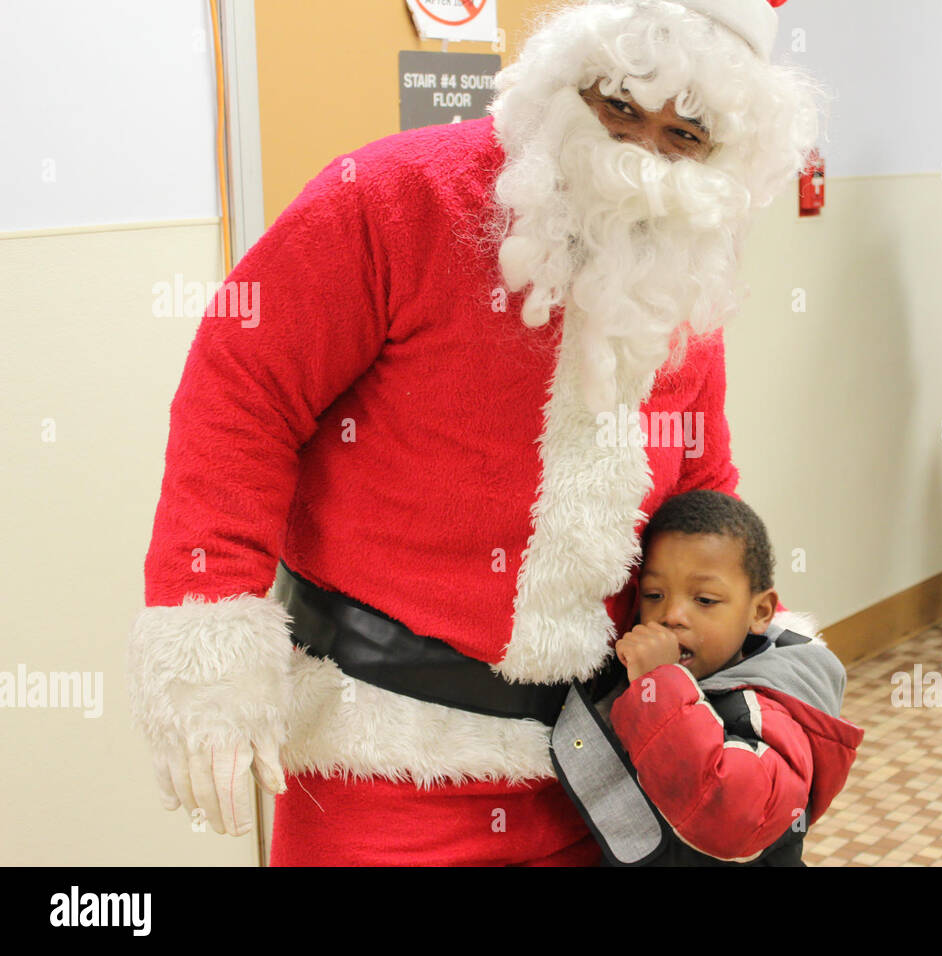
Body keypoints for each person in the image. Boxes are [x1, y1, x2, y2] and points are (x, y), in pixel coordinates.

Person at [125, 0, 821, 865]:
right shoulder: (392, 197)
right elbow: (240, 391)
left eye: (684, 136)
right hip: (380, 771)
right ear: (568, 80)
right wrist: (209, 632)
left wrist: (753, 655)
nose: (641, 159)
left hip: (601, 772)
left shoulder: (679, 269)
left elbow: (697, 492)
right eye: (620, 109)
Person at [550, 490, 864, 866]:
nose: (672, 615)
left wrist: (662, 683)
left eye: (705, 600)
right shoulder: (639, 681)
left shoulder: (767, 708)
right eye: (654, 594)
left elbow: (733, 817)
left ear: (760, 611)